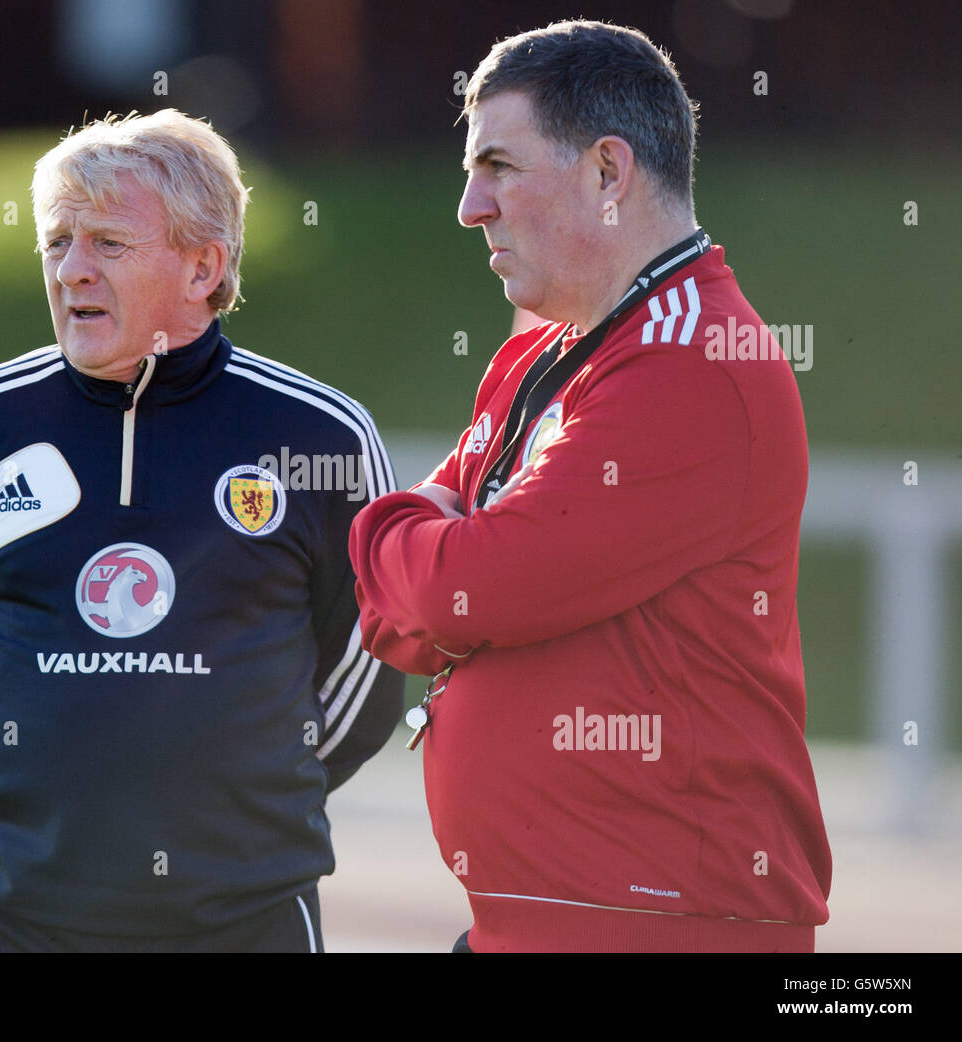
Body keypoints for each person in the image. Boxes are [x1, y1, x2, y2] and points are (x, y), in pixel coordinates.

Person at [0, 109, 403, 952]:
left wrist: (248, 804)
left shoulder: (321, 436)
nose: (72, 270)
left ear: (204, 267)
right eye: (57, 242)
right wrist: (18, 798)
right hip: (17, 918)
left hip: (245, 918)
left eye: (108, 244)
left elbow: (367, 663)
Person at [348, 20, 832, 952]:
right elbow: (401, 624)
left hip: (662, 928)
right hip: (544, 922)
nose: (468, 206)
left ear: (609, 175)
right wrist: (428, 553)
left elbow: (467, 586)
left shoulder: (693, 360)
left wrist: (390, 534)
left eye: (498, 165)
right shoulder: (546, 348)